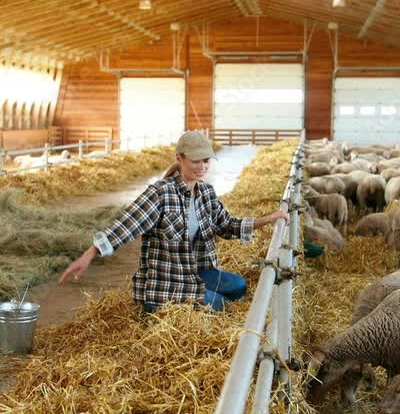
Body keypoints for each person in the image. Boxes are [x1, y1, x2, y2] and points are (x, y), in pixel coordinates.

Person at [59, 130, 288, 312]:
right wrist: (90, 253)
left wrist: (269, 219)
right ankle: (157, 307)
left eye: (206, 160)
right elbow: (127, 225)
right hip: (165, 283)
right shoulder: (161, 193)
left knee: (238, 287)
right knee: (222, 306)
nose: (202, 166)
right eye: (196, 160)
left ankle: (205, 298)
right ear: (179, 158)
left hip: (194, 272)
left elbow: (228, 225)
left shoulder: (206, 192)